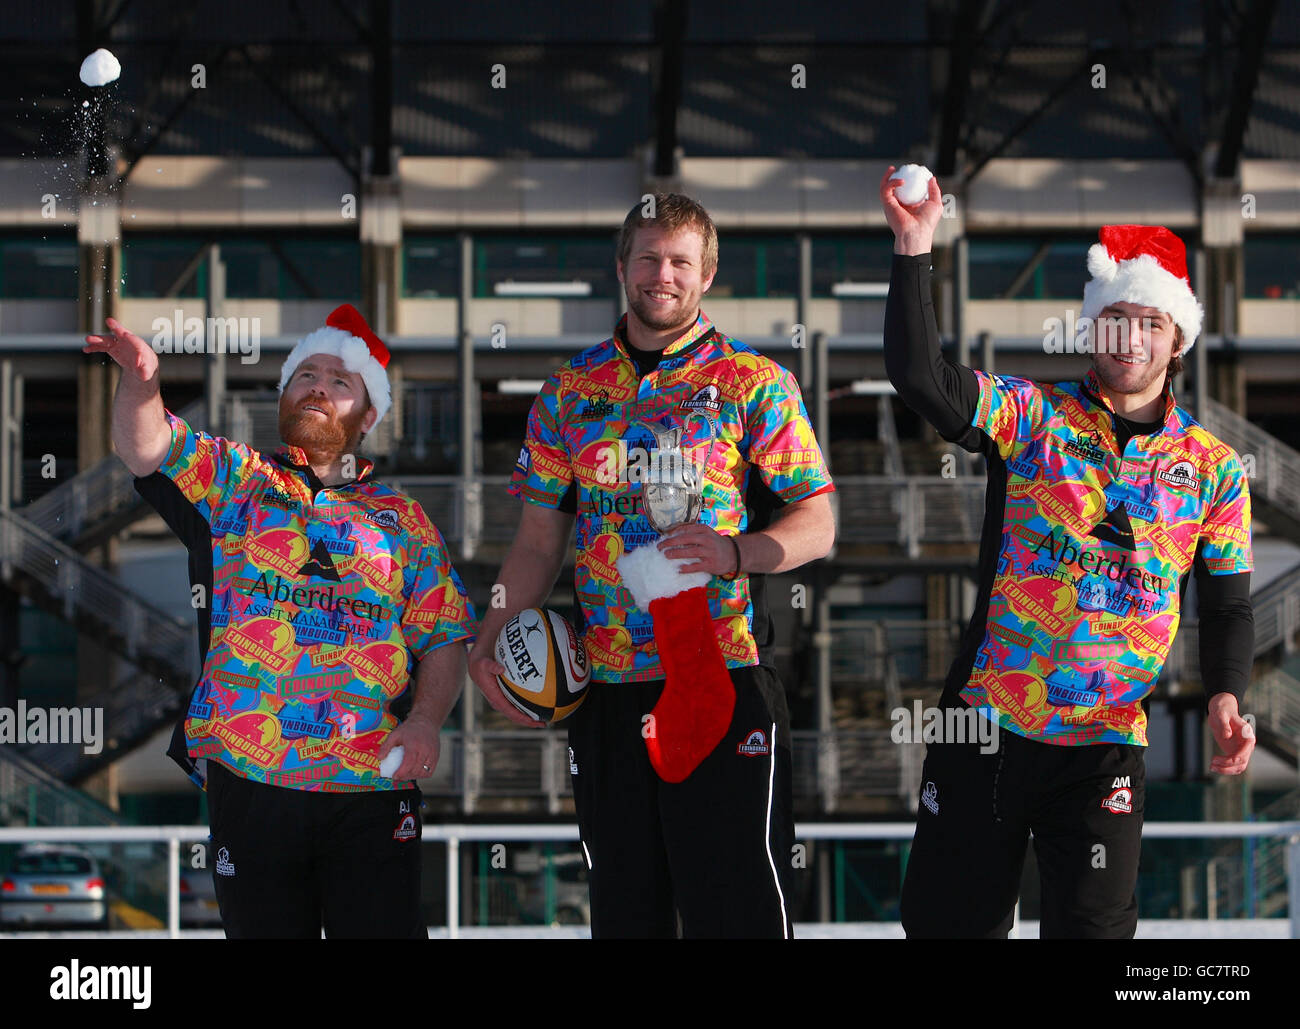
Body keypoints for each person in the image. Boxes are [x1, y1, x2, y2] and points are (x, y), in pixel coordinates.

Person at [880, 166, 1256, 939]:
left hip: (1104, 747)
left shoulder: (1216, 469)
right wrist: (915, 245)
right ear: (1092, 328)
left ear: (1176, 339)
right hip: (986, 726)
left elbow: (1228, 602)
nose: (1131, 336)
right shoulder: (1032, 417)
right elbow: (923, 378)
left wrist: (1225, 694)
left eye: (1150, 321)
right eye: (1115, 317)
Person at [468, 193, 836, 938]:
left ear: (706, 276)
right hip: (605, 692)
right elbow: (539, 542)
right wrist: (491, 633)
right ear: (621, 267)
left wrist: (738, 551)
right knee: (627, 918)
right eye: (647, 257)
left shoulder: (752, 381)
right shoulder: (568, 390)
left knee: (737, 917)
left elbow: (818, 522)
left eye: (679, 261)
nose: (661, 274)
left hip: (722, 676)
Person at [84, 304, 476, 939]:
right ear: (286, 394)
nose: (319, 385)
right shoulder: (235, 481)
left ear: (368, 416)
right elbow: (146, 445)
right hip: (251, 782)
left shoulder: (404, 521)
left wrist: (427, 720)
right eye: (306, 375)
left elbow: (446, 635)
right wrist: (142, 382)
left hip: (371, 785)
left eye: (340, 380)